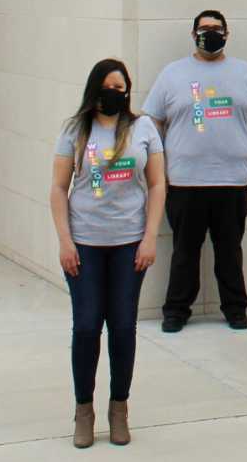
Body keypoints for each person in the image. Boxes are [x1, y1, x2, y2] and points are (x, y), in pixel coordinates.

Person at [50, 59, 165, 449]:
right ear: (94, 88)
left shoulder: (143, 128)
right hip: (85, 245)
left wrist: (150, 238)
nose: (114, 93)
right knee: (86, 326)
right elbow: (58, 188)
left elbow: (157, 185)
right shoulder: (75, 130)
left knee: (122, 327)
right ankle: (84, 411)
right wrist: (65, 241)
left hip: (129, 245)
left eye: (121, 87)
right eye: (107, 86)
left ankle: (119, 409)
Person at [141, 10, 247, 332]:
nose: (210, 33)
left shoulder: (246, 73)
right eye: (204, 29)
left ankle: (235, 309)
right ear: (193, 35)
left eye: (216, 28)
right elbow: (152, 120)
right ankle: (176, 311)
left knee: (230, 252)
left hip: (232, 181)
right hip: (184, 182)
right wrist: (158, 169)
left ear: (226, 34)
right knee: (184, 253)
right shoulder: (172, 74)